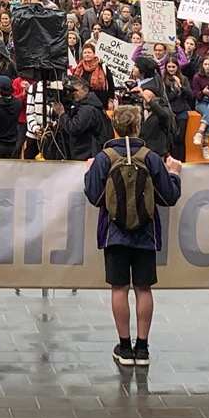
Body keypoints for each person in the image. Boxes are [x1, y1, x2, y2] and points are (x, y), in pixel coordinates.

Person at [82, 104, 184, 368]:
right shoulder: (150, 157)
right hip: (146, 231)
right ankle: (143, 346)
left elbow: (94, 196)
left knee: (119, 288)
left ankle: (124, 346)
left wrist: (88, 172)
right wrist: (174, 175)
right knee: (143, 288)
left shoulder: (104, 157)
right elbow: (168, 196)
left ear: (115, 126)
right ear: (138, 126)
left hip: (113, 232)